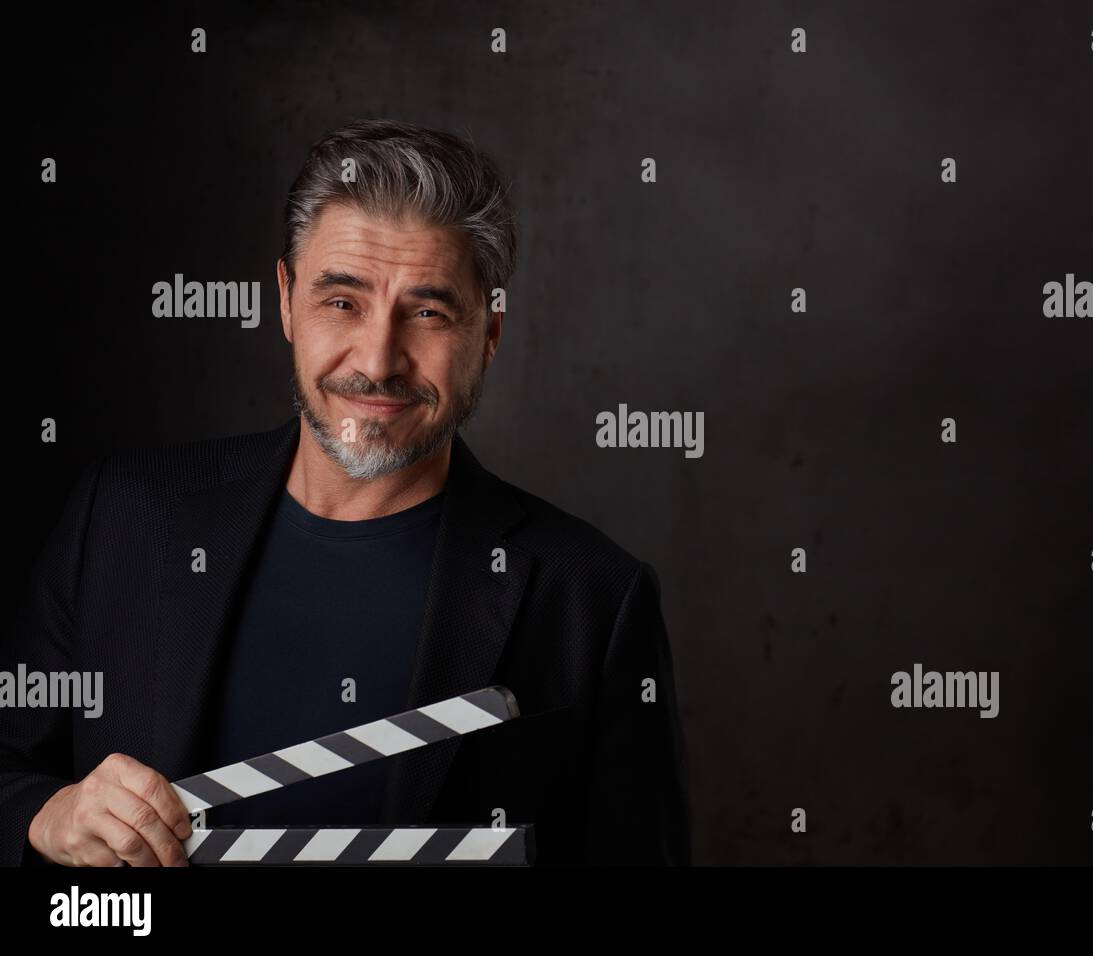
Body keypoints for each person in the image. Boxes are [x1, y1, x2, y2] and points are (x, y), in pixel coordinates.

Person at [0, 119, 691, 867]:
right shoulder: (125, 515)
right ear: (286, 300)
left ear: (489, 332)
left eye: (428, 312)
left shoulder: (591, 597)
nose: (378, 360)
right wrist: (49, 815)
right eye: (342, 301)